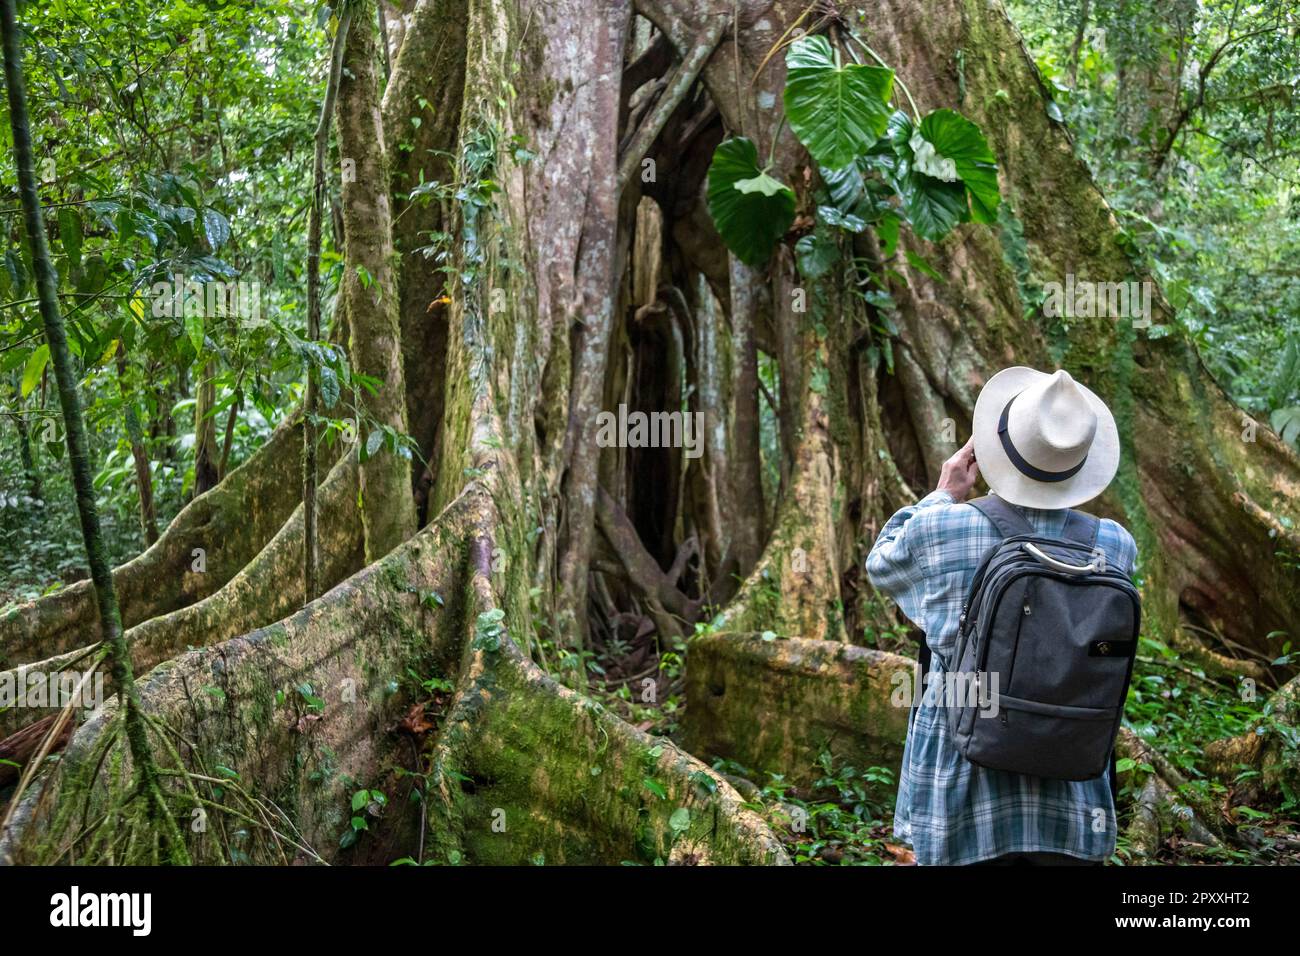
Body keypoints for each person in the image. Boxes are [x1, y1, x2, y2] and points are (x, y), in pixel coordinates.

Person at [866, 367, 1138, 866]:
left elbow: (881, 561)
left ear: (995, 449)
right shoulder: (1114, 544)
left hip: (963, 788)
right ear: (1078, 467)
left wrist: (944, 493)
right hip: (1073, 795)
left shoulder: (943, 531)